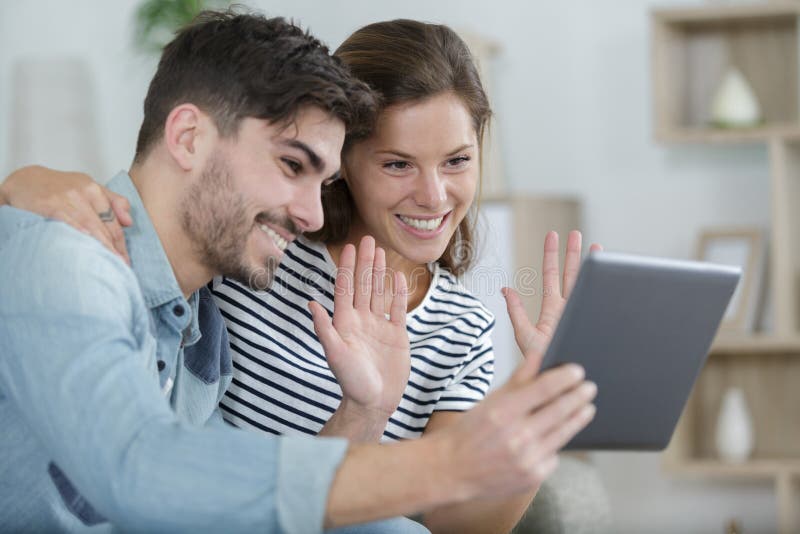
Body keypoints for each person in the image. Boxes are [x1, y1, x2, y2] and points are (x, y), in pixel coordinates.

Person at [0, 10, 597, 534]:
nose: (309, 212)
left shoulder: (199, 320)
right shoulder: (83, 262)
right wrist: (449, 462)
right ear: (187, 136)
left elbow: (219, 508)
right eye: (292, 164)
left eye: (321, 179)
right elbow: (140, 468)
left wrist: (368, 410)